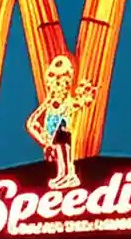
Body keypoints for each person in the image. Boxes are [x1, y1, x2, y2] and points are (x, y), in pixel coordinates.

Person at [26, 53, 97, 189]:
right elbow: (31, 123)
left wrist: (86, 95)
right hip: (51, 138)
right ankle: (62, 174)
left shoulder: (68, 103)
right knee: (59, 150)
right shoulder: (48, 104)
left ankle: (68, 175)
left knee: (63, 146)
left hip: (62, 134)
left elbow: (79, 103)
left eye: (62, 80)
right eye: (55, 80)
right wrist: (44, 141)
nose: (59, 84)